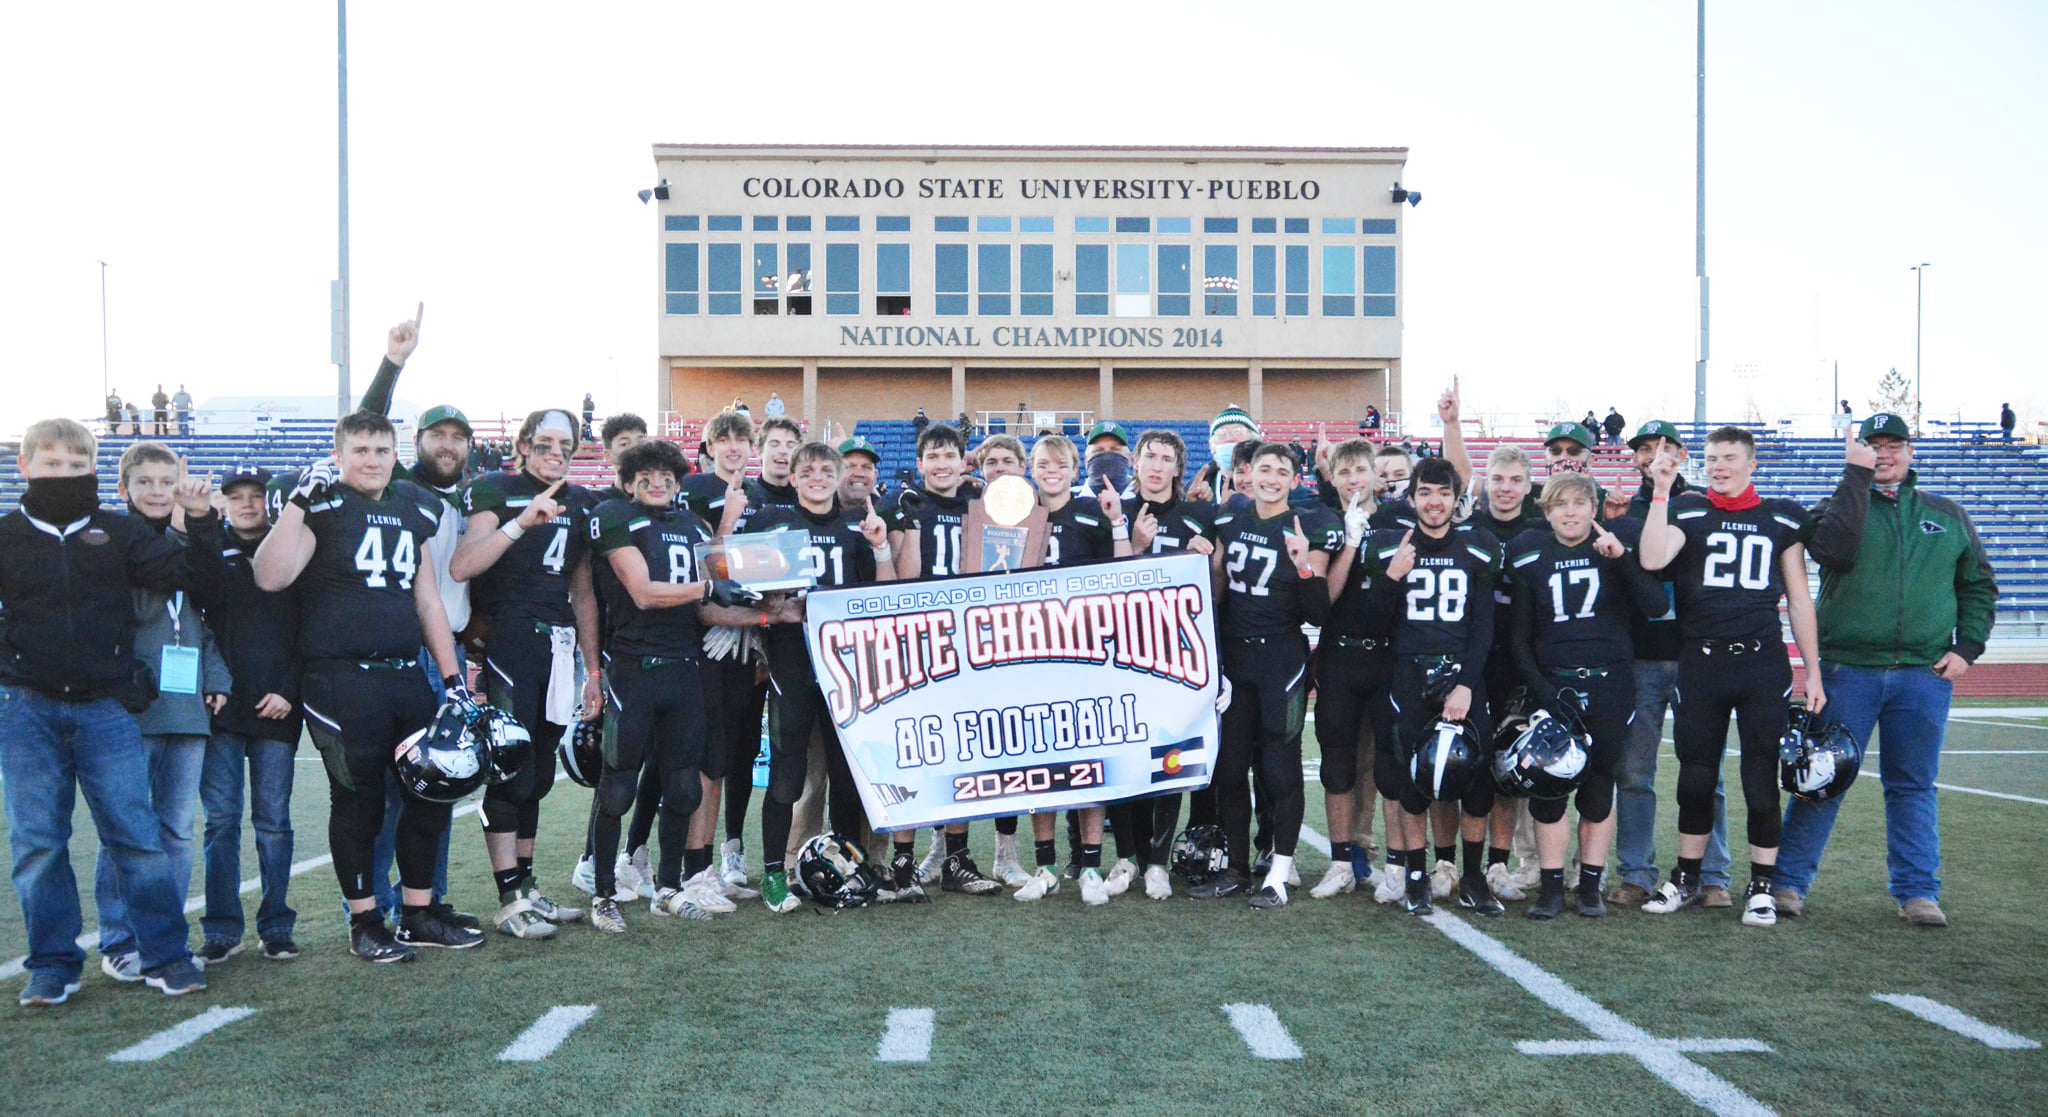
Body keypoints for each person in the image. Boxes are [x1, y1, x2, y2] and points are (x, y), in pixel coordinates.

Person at [253, 409, 483, 960]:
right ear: (339, 456)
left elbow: (427, 599)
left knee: (430, 794)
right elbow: (270, 575)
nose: (372, 461)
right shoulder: (320, 504)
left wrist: (452, 680)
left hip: (406, 673)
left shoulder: (413, 504)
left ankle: (419, 911)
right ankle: (364, 921)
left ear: (394, 453)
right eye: (360, 450)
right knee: (358, 804)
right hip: (339, 677)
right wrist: (296, 504)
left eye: (381, 450)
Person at [2, 418, 218, 1005]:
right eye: (52, 465)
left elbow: (190, 576)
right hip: (27, 708)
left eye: (77, 467)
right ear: (24, 467)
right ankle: (52, 963)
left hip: (105, 708)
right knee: (38, 842)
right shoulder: (6, 535)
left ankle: (164, 955)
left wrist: (200, 521)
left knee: (136, 836)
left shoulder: (117, 532)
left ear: (93, 471)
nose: (64, 476)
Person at [1773, 412, 1997, 928]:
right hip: (1848, 669)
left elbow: (1979, 587)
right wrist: (1853, 479)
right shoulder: (1836, 509)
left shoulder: (1947, 514)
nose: (1885, 454)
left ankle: (1918, 892)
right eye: (1873, 446)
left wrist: (1967, 647)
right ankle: (1787, 883)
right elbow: (1834, 551)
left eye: (1894, 445)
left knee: (1913, 784)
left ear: (1911, 451)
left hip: (1923, 675)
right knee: (1820, 779)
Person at [1636, 425, 1858, 927]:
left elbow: (1800, 598)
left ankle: (1761, 885)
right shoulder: (1688, 510)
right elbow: (1652, 558)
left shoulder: (1779, 516)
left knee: (1760, 780)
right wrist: (1662, 491)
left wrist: (1813, 672)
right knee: (1694, 778)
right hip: (1701, 660)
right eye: (1712, 457)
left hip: (1761, 663)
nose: (1719, 466)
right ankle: (1688, 876)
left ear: (1751, 463)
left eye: (1730, 457)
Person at [584, 439, 765, 932]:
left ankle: (666, 886)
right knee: (619, 784)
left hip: (685, 663)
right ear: (627, 481)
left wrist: (768, 611)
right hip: (633, 665)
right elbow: (643, 593)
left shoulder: (692, 526)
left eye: (667, 473)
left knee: (684, 784)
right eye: (646, 473)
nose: (658, 480)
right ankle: (603, 890)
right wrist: (710, 586)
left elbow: (713, 598)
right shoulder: (614, 516)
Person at [449, 409, 603, 939]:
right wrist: (521, 522)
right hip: (510, 637)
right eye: (544, 443)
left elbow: (581, 590)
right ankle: (509, 896)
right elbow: (463, 564)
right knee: (509, 767)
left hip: (559, 644)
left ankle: (528, 883)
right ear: (523, 444)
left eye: (565, 443)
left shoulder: (582, 502)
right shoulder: (497, 489)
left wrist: (594, 669)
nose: (555, 452)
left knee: (538, 772)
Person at [737, 442, 896, 912]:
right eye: (808, 469)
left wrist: (881, 547)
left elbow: (884, 597)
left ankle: (848, 869)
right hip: (794, 663)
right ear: (796, 475)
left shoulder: (854, 527)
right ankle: (773, 874)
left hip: (846, 668)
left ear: (836, 474)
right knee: (787, 776)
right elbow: (746, 594)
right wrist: (774, 608)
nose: (818, 476)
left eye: (826, 469)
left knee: (848, 779)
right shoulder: (773, 522)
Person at [93, 443, 231, 982]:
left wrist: (216, 677)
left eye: (165, 481)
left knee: (176, 827)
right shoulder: (110, 545)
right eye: (145, 482)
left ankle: (164, 935)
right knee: (125, 829)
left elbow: (205, 618)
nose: (156, 491)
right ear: (123, 489)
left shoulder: (193, 546)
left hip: (186, 702)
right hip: (129, 705)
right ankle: (119, 938)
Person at [1508, 472, 1667, 919]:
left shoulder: (1614, 548)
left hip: (1610, 683)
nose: (1571, 512)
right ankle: (1552, 887)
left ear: (1593, 509)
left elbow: (1656, 607)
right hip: (1554, 682)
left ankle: (1591, 887)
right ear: (1547, 511)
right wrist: (1544, 691)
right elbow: (1519, 637)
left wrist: (1622, 561)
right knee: (1549, 789)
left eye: (1579, 503)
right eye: (1561, 505)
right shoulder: (1529, 553)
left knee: (1599, 788)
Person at [1359, 457, 1506, 916]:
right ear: (1412, 497)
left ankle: (1473, 877)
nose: (1435, 501)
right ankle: (1417, 876)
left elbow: (1484, 627)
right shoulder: (1389, 548)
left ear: (1456, 498)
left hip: (1462, 674)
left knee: (1478, 781)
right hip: (1407, 673)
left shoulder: (1479, 547)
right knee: (1412, 781)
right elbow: (1376, 626)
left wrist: (1465, 684)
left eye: (1443, 492)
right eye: (1425, 492)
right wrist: (1391, 578)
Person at [1198, 444, 1341, 908]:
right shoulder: (1230, 520)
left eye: (1282, 472)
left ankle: (1279, 870)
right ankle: (1238, 869)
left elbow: (1318, 614)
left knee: (1280, 770)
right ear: (1247, 474)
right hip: (1236, 660)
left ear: (1294, 481)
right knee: (1231, 769)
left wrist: (1303, 565)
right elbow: (1216, 594)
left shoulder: (1304, 526)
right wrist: (1210, 565)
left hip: (1281, 659)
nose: (1272, 478)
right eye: (1265, 469)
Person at [1611, 420, 1734, 909]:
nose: (1652, 455)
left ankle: (1713, 873)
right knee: (1634, 773)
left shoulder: (1704, 504)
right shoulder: (1621, 508)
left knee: (1708, 773)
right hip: (1640, 654)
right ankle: (1637, 872)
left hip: (1695, 654)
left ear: (1681, 454)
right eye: (1643, 448)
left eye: (1662, 447)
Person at [1008, 435, 1135, 904]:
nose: (1051, 469)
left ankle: (1091, 866)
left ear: (1073, 466)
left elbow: (1123, 575)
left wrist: (1117, 521)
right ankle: (1043, 866)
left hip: (1083, 654)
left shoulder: (1091, 513)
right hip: (1028, 653)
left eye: (1060, 463)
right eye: (1042, 462)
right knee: (1038, 764)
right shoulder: (1015, 516)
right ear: (1032, 469)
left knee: (1089, 763)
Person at [195, 465, 302, 963]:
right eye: (234, 496)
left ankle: (276, 926)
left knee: (274, 822)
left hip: (277, 709)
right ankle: (221, 928)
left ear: (269, 501)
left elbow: (313, 630)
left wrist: (289, 690)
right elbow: (195, 622)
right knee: (220, 821)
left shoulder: (294, 550)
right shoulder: (210, 552)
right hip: (221, 707)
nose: (245, 504)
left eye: (255, 495)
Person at [891, 423, 1003, 897]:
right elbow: (895, 576)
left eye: (949, 456)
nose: (941, 464)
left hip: (970, 644)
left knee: (963, 751)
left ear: (964, 461)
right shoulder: (901, 506)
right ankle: (902, 862)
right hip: (916, 642)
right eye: (932, 456)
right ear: (920, 464)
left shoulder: (982, 505)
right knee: (910, 751)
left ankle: (956, 857)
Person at [1307, 440, 1407, 904]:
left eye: (1360, 471)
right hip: (1340, 655)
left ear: (1375, 474)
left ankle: (1400, 865)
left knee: (1390, 765)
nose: (1353, 480)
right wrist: (1349, 541)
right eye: (1344, 472)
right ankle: (1342, 860)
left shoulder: (1398, 522)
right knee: (1338, 764)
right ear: (1333, 478)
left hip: (1388, 654)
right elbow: (1323, 600)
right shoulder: (1327, 524)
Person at [1123, 429, 1219, 898]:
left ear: (1178, 469)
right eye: (1150, 457)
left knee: (1170, 758)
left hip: (1175, 656)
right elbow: (1095, 590)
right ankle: (1129, 856)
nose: (1157, 466)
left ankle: (1157, 861)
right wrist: (1136, 547)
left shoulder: (1201, 516)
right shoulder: (1115, 515)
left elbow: (1216, 593)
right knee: (1123, 755)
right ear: (1135, 464)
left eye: (1166, 459)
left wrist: (1210, 560)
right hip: (1120, 656)